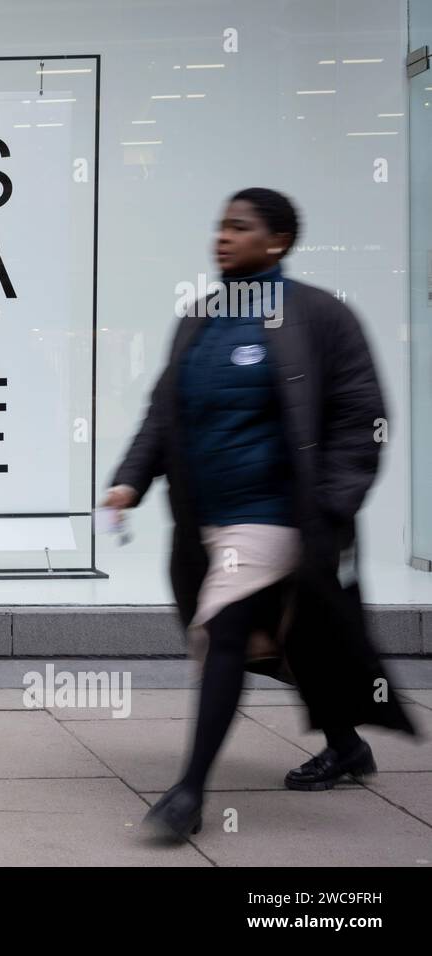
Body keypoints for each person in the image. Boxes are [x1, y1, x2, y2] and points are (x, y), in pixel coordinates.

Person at [104, 187, 417, 841]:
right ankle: (346, 745)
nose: (222, 236)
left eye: (239, 227)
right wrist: (131, 480)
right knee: (280, 642)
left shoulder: (319, 317)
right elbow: (163, 413)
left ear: (277, 242)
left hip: (276, 515)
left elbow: (363, 419)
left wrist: (330, 507)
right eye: (220, 224)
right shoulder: (199, 318)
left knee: (224, 631)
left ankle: (189, 793)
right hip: (204, 520)